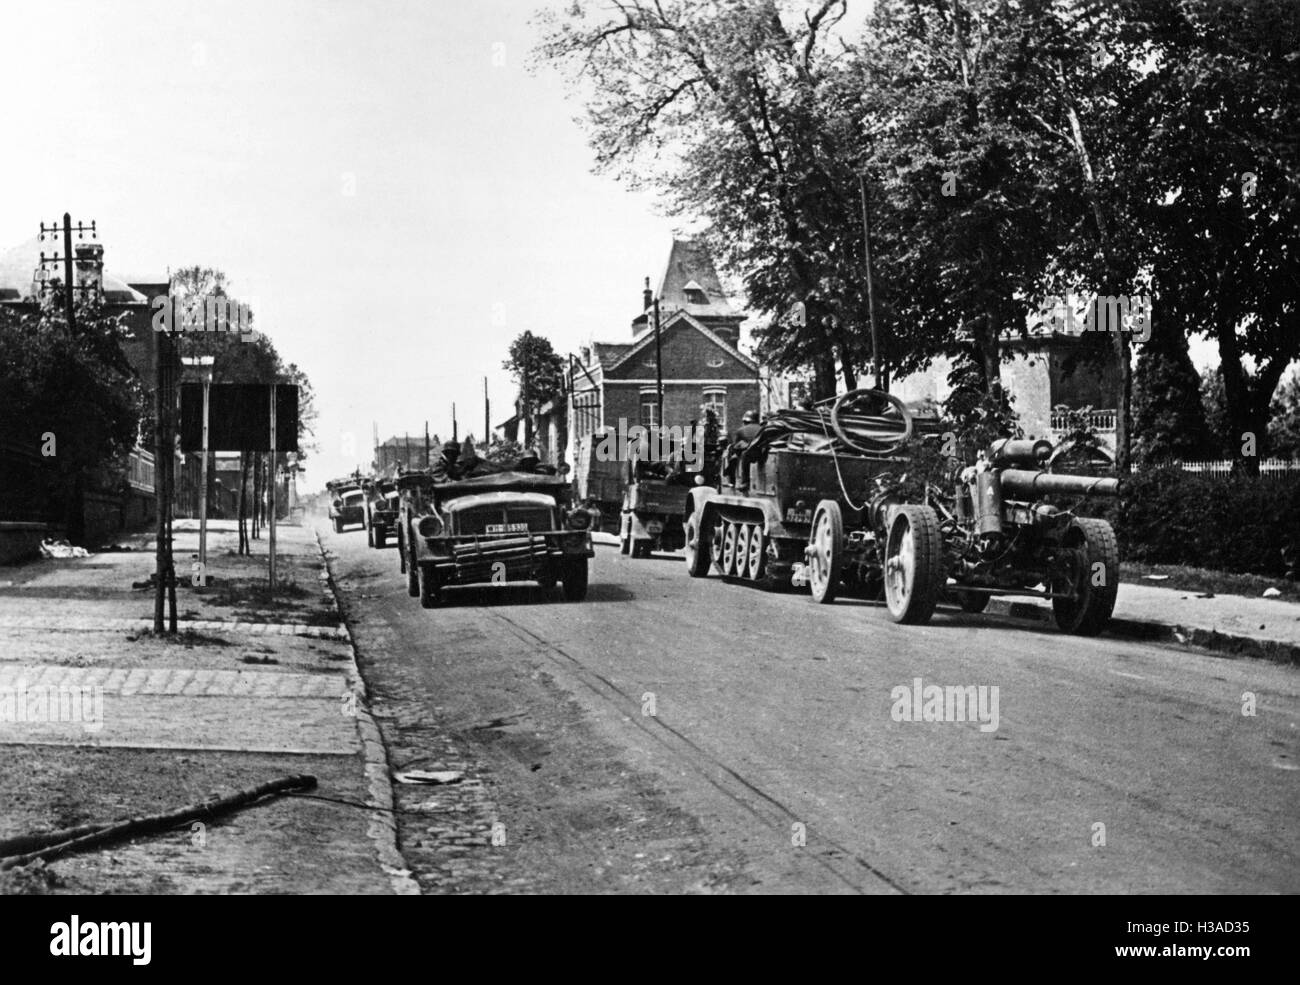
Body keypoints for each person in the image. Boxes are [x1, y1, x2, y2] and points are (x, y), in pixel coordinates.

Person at [727, 410, 762, 491]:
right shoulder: (762, 428)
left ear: (745, 420)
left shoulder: (741, 430)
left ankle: (741, 482)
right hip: (762, 454)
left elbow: (735, 446)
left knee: (735, 457)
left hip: (749, 456)